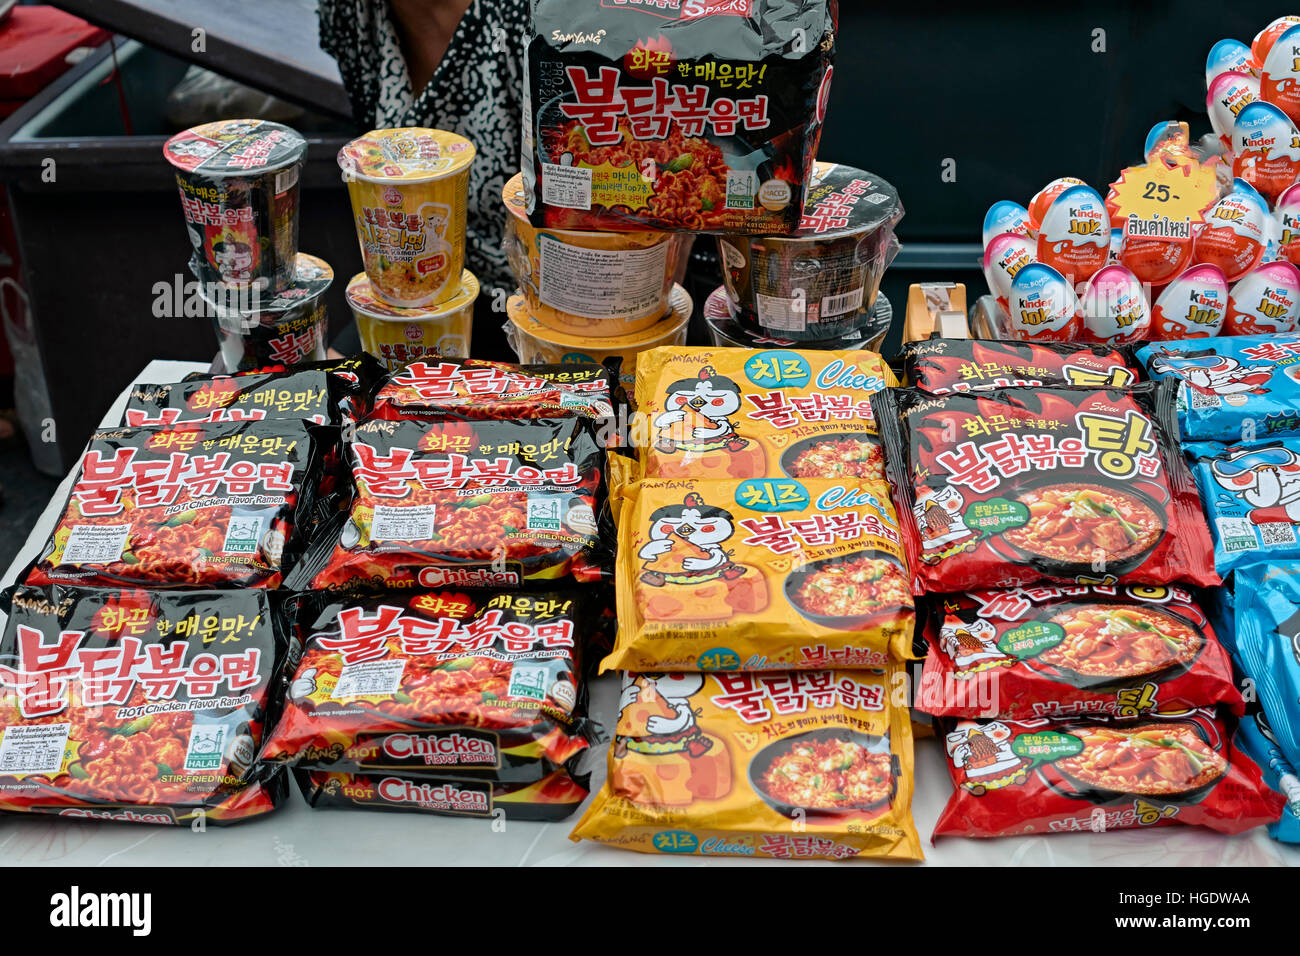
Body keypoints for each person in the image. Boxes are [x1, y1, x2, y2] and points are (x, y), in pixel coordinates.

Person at [318, 0, 528, 359]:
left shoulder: (528, 19)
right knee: (325, 391)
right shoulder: (350, 12)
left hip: (528, 303)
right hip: (411, 282)